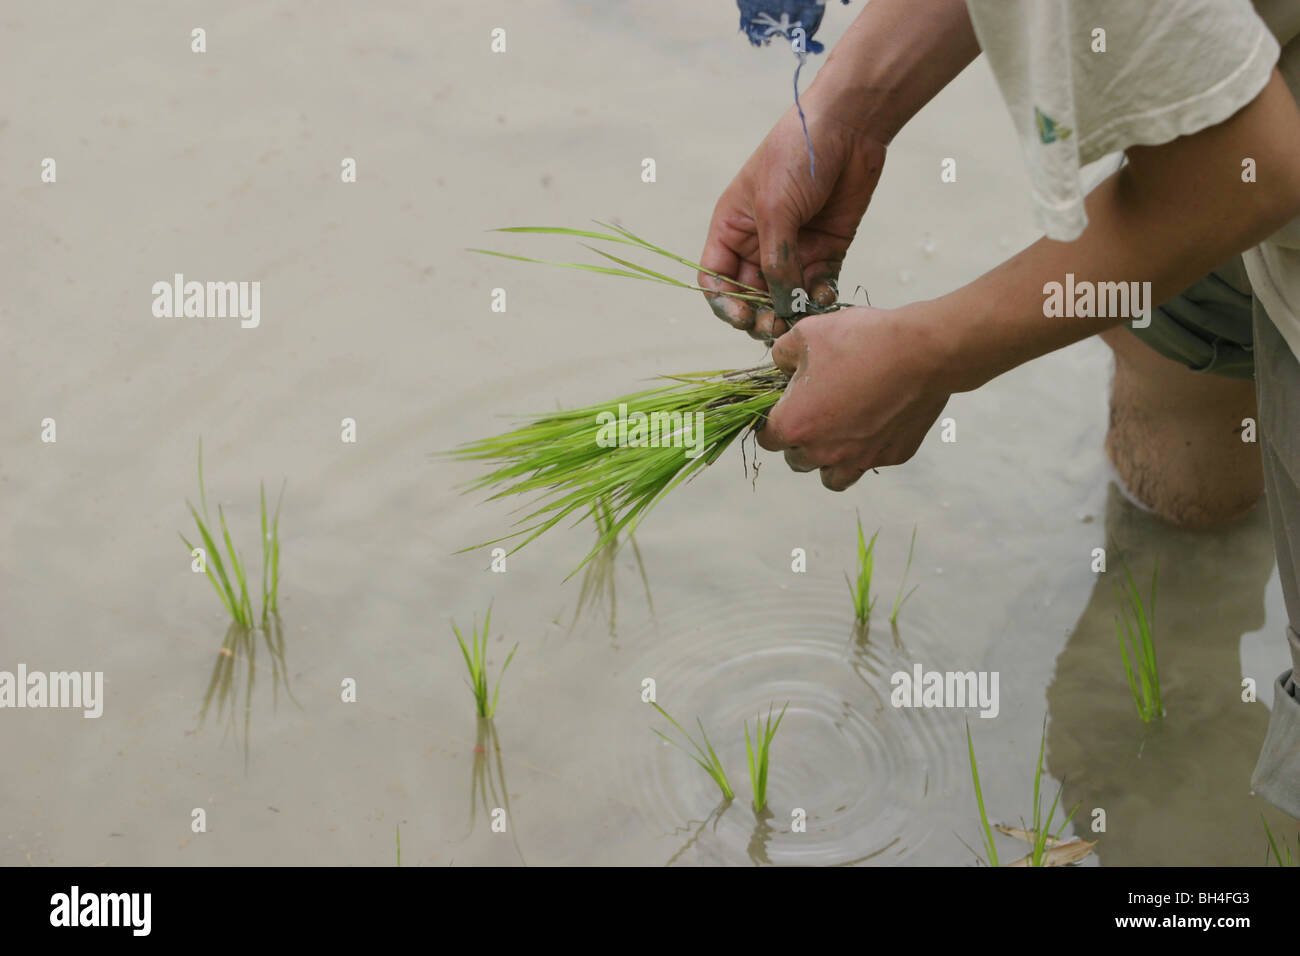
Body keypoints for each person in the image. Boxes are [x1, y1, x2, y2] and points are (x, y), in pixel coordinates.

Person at [699, 0, 1300, 821]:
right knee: (1177, 483)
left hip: (1255, 160)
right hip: (1242, 91)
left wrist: (932, 352)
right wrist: (843, 113)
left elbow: (1257, 171)